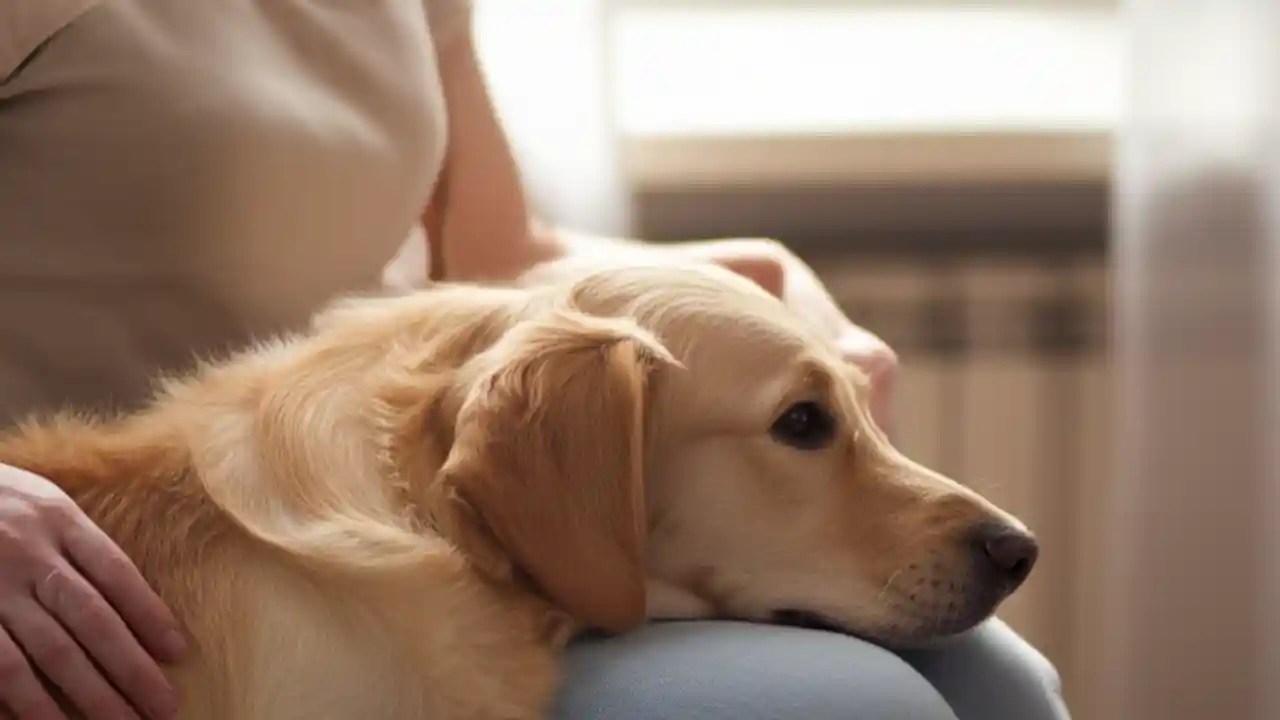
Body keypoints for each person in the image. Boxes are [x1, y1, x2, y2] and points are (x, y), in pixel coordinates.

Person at [0, 2, 1068, 719]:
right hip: (138, 583)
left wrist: (767, 291)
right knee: (846, 707)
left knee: (996, 687)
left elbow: (504, 258)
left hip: (422, 532)